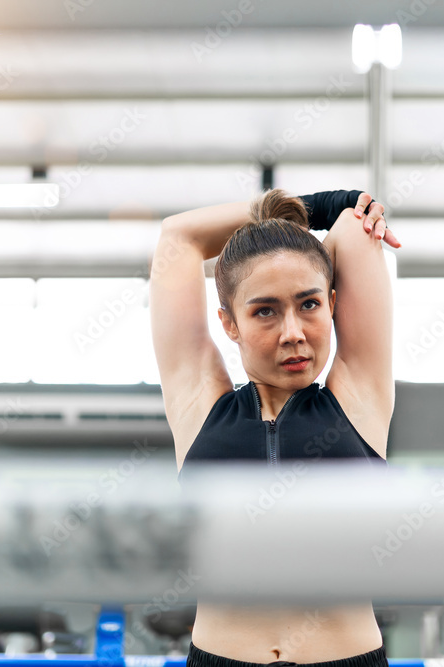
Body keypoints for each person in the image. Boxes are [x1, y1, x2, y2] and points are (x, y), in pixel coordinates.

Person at [149, 188, 400, 667]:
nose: (293, 333)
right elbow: (177, 237)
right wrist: (313, 207)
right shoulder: (199, 405)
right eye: (264, 310)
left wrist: (339, 212)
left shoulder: (359, 399)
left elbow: (352, 229)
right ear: (229, 323)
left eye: (308, 305)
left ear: (332, 304)